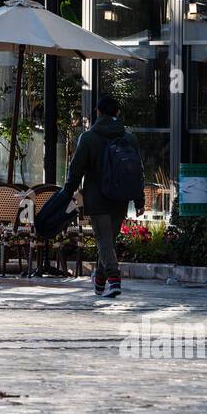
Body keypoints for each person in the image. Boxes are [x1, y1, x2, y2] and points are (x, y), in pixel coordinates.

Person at [63, 95, 145, 298]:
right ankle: (100, 279)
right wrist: (139, 199)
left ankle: (114, 279)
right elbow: (137, 171)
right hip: (121, 198)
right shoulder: (129, 138)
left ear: (98, 113)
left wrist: (67, 193)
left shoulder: (88, 138)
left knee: (104, 240)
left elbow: (76, 170)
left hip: (96, 198)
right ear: (118, 113)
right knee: (108, 241)